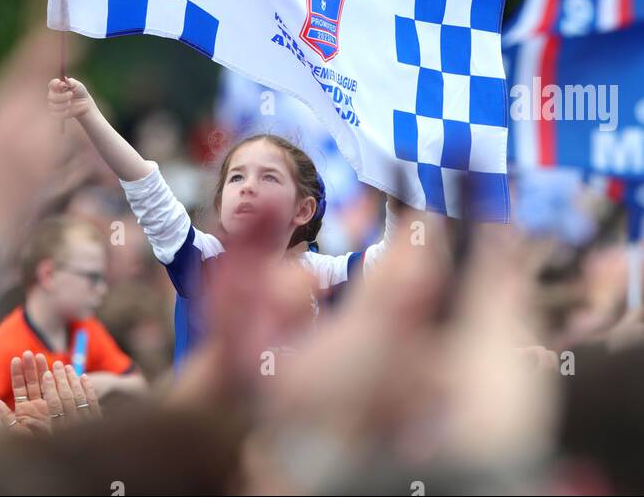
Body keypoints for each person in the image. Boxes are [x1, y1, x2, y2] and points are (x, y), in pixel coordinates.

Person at [48, 76, 404, 363]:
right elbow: (145, 183)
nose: (248, 187)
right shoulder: (203, 260)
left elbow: (395, 256)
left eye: (269, 177)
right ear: (220, 204)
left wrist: (404, 153)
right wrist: (89, 115)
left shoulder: (327, 275)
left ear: (304, 210)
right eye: (236, 178)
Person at [0, 214, 141, 412]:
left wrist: (109, 383)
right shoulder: (9, 342)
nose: (102, 289)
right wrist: (22, 426)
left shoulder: (86, 330)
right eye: (93, 277)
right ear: (48, 275)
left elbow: (140, 387)